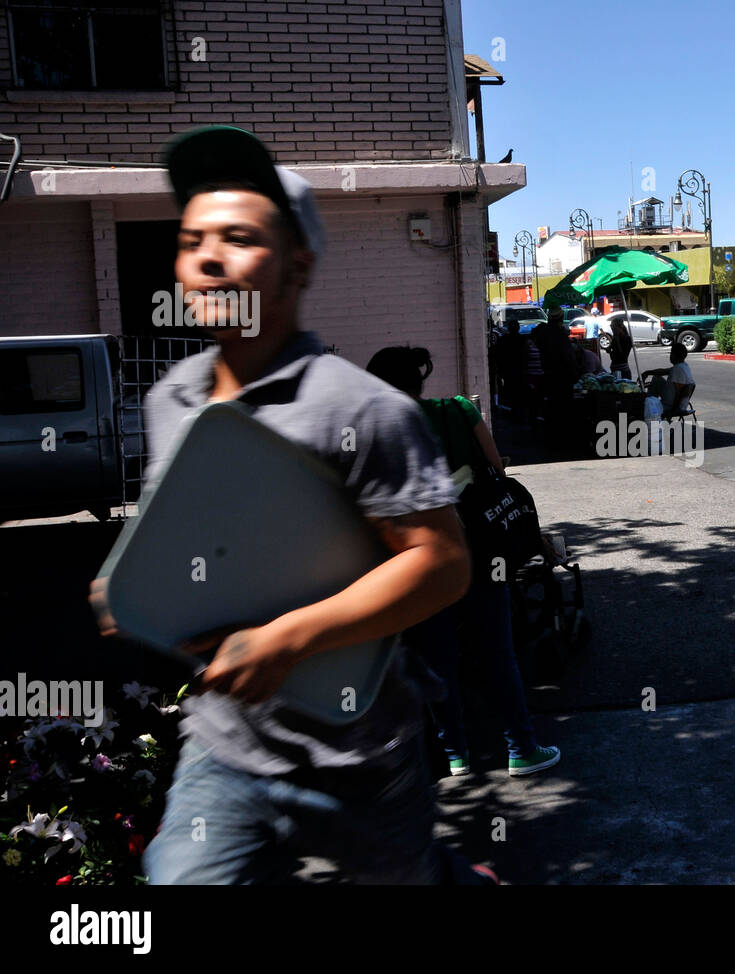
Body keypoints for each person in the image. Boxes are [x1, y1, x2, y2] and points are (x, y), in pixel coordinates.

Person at [104, 125, 484, 884]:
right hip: (226, 746)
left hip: (363, 751)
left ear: (296, 267)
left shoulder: (364, 409)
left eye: (239, 238)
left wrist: (287, 639)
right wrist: (133, 585)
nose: (207, 257)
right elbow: (187, 536)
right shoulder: (169, 400)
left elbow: (442, 567)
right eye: (191, 239)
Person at [365, 346, 561, 779]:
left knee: (437, 658)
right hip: (480, 553)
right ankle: (522, 749)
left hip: (417, 563)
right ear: (419, 381)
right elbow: (497, 474)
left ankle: (455, 754)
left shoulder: (374, 432)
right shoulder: (456, 410)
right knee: (497, 653)